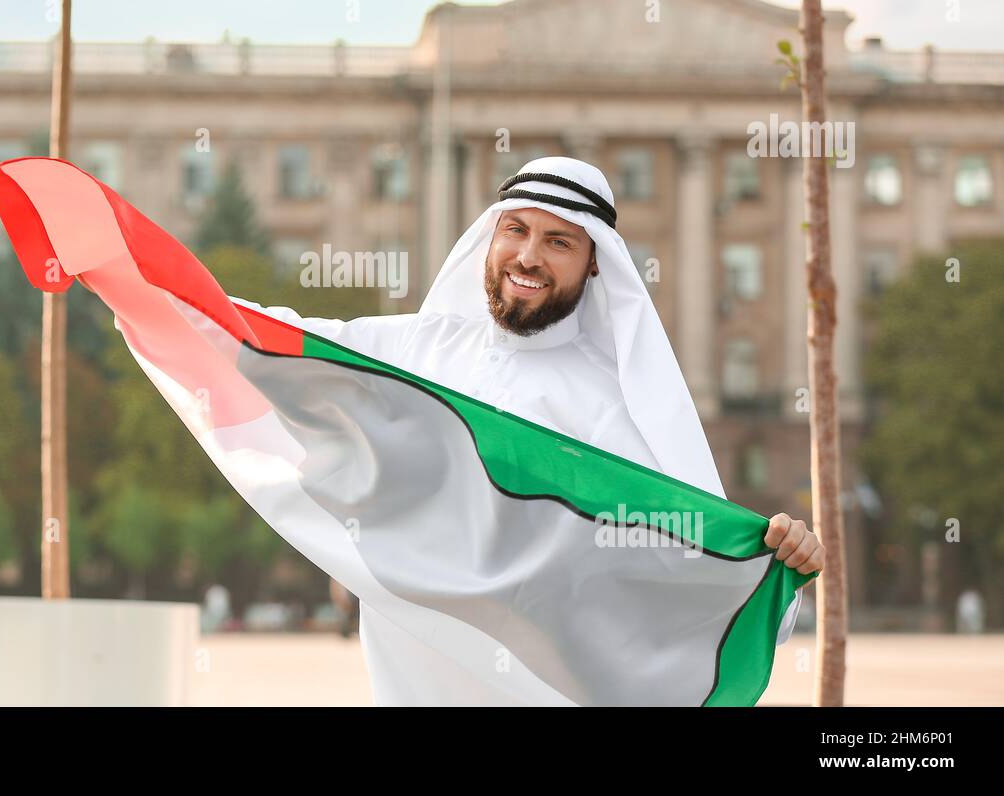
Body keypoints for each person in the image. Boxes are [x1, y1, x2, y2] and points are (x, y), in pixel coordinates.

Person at [230, 155, 823, 704]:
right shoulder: (410, 352)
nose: (528, 256)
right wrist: (152, 288)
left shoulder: (619, 409)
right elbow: (272, 345)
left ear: (596, 264)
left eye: (558, 241)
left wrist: (777, 561)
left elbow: (690, 562)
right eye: (515, 230)